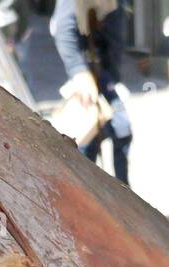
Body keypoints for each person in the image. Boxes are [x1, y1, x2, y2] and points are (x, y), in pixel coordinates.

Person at [52, 0, 131, 184]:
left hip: (105, 75)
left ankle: (119, 195)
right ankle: (86, 193)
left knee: (117, 131)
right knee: (93, 137)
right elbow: (63, 29)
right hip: (90, 76)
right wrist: (79, 71)